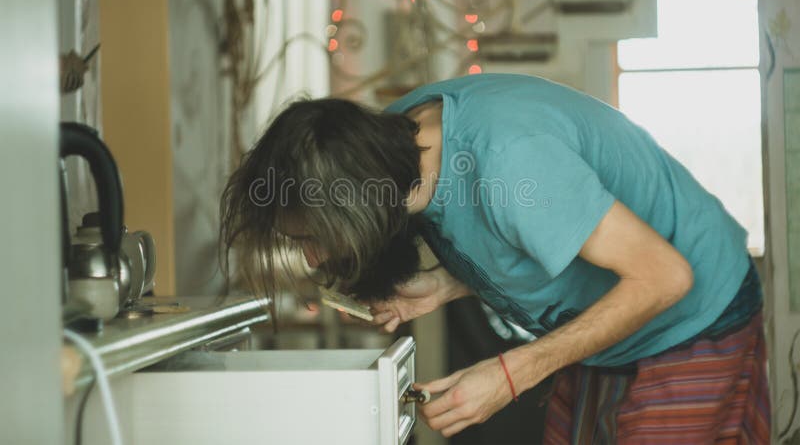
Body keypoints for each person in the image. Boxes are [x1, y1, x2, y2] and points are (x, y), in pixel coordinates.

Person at [220, 73, 770, 443]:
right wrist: (445, 284)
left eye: (312, 236)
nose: (315, 259)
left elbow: (664, 277)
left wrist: (511, 374)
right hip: (612, 323)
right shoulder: (395, 143)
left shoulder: (512, 163)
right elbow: (509, 233)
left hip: (692, 312)